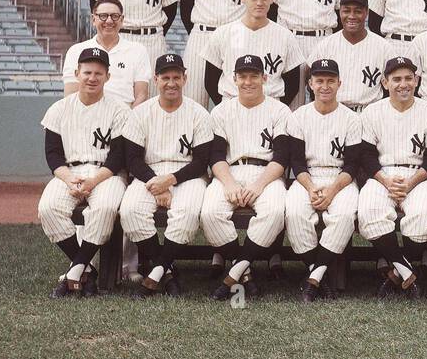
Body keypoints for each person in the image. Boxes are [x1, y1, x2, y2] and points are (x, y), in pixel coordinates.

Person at [39, 46, 130, 298]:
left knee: (105, 208)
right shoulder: (59, 109)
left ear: (108, 77)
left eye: (98, 73)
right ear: (77, 73)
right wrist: (68, 178)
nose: (92, 78)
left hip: (106, 174)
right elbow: (53, 154)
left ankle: (75, 272)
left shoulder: (119, 109)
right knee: (48, 208)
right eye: (87, 72)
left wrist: (93, 180)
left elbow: (119, 156)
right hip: (69, 172)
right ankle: (87, 268)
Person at [119, 54, 212, 297]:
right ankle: (168, 271)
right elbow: (133, 160)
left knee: (186, 213)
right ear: (156, 79)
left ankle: (156, 273)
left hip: (187, 175)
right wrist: (156, 183)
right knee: (130, 211)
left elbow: (202, 162)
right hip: (148, 174)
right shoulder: (141, 113)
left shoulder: (198, 113)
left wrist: (169, 181)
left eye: (176, 77)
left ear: (185, 78)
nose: (171, 83)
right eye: (165, 78)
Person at [201, 55, 291, 300]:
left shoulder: (279, 110)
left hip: (268, 173)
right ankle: (246, 272)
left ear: (265, 78)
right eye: (243, 76)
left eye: (254, 76)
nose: (248, 81)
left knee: (274, 212)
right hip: (230, 171)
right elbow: (216, 156)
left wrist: (258, 185)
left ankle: (235, 271)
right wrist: (229, 184)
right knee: (209, 213)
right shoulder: (221, 111)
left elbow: (281, 158)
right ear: (234, 79)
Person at [353, 56, 427, 297]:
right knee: (370, 213)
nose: (403, 84)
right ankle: (406, 270)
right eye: (396, 79)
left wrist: (411, 183)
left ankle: (395, 273)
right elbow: (367, 155)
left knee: (423, 218)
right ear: (384, 82)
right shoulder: (372, 112)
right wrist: (385, 181)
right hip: (383, 174)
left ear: (416, 81)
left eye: (408, 78)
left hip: (418, 176)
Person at [284, 59, 363, 301]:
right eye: (319, 81)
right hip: (308, 177)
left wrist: (332, 190)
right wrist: (310, 188)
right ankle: (321, 275)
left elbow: (352, 165)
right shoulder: (298, 117)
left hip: (341, 179)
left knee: (343, 217)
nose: (325, 86)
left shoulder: (351, 119)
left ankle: (313, 279)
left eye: (330, 81)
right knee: (295, 214)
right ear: (310, 84)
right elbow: (296, 162)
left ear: (340, 83)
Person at [205, 0, 305, 106]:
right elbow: (210, 80)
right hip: (231, 105)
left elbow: (293, 84)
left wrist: (275, 109)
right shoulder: (223, 33)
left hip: (271, 106)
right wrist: (227, 108)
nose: (259, 3)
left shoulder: (285, 36)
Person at [311, 0, 393, 112]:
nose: (352, 16)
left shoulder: (384, 47)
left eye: (358, 11)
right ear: (340, 12)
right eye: (346, 11)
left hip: (369, 113)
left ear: (366, 12)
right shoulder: (325, 45)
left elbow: (390, 87)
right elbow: (312, 85)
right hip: (335, 113)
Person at [61, 0, 149, 106]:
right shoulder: (76, 51)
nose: (109, 21)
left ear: (122, 20)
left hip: (125, 115)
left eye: (115, 16)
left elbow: (141, 96)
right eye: (103, 16)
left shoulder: (138, 51)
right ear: (93, 19)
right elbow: (70, 96)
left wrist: (127, 121)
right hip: (87, 115)